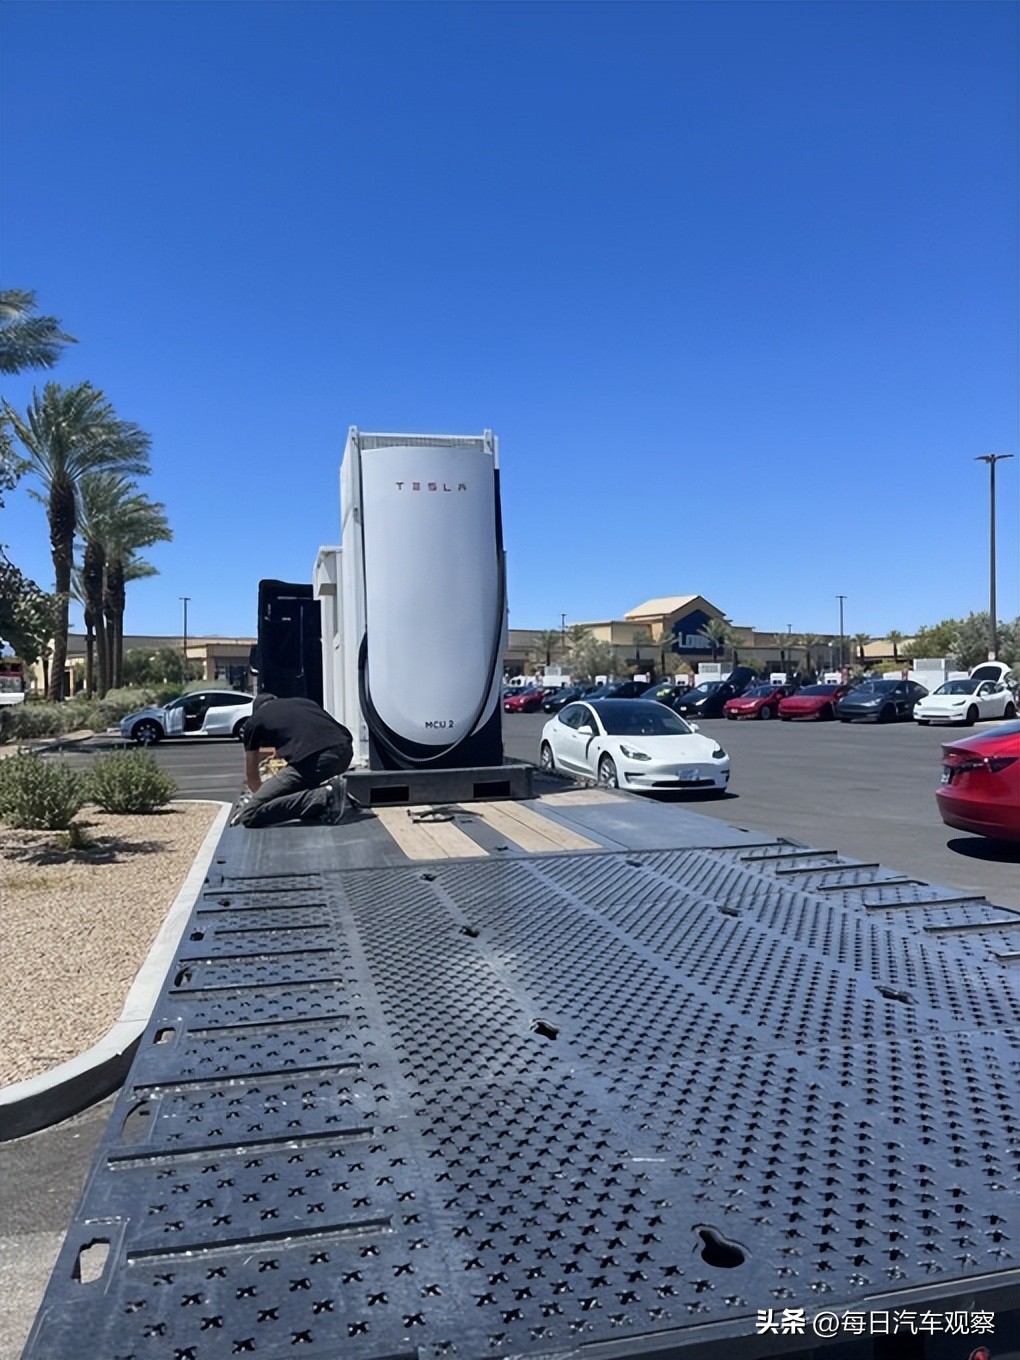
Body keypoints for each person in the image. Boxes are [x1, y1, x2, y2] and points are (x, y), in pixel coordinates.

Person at [232, 693, 354, 828]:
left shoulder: (254, 721)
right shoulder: (304, 703)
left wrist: (261, 797)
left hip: (315, 760)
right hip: (345, 753)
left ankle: (327, 796)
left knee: (250, 815)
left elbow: (252, 777)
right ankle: (329, 799)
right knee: (294, 794)